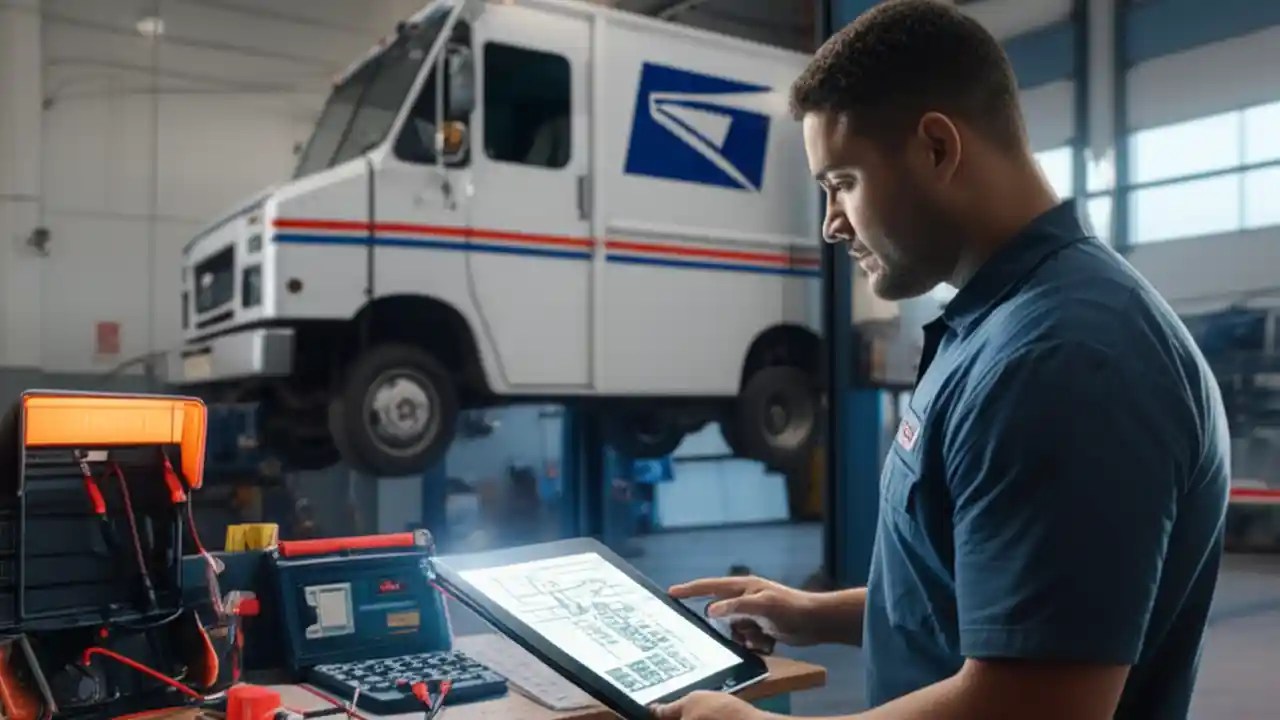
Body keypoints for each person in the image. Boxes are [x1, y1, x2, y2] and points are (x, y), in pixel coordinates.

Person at [650, 1, 1230, 719]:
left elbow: (1040, 703)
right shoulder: (1005, 324)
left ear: (935, 147)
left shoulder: (1065, 359)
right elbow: (992, 599)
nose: (831, 224)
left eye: (842, 183)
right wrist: (814, 613)